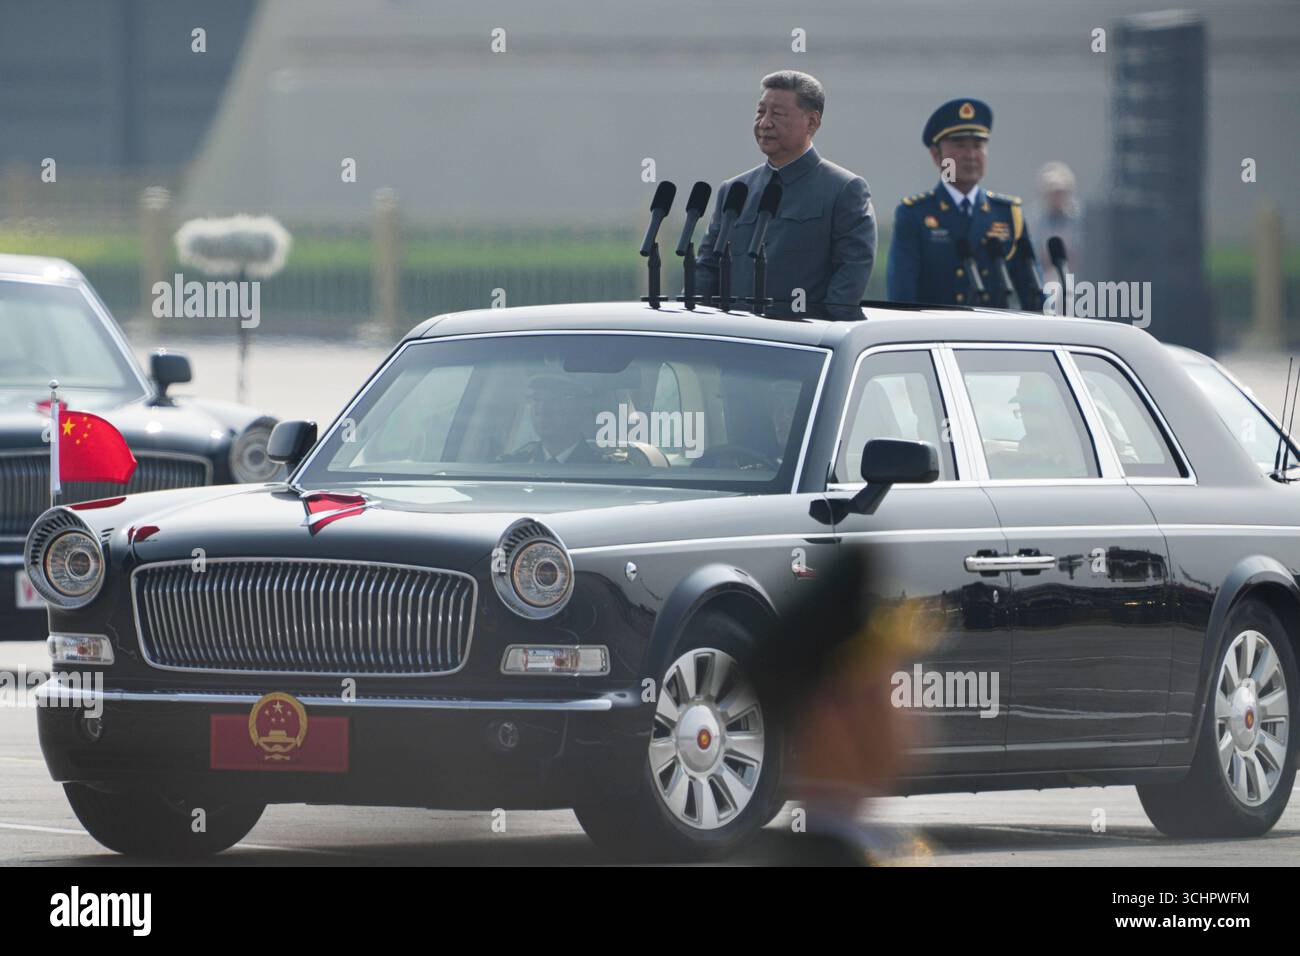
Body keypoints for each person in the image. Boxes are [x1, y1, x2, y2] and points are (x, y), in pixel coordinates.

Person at [695, 70, 876, 320]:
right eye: (760, 112)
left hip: (804, 346)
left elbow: (849, 277)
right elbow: (707, 270)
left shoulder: (844, 190)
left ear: (811, 122)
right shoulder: (735, 190)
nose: (764, 123)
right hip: (734, 344)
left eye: (777, 114)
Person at [886, 98, 1044, 310]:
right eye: (960, 146)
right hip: (936, 338)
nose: (970, 156)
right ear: (936, 156)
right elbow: (901, 296)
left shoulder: (1007, 214)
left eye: (978, 146)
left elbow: (1033, 294)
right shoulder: (916, 214)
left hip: (994, 338)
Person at [499, 373, 611, 464]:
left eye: (554, 400)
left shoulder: (602, 469)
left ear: (580, 408)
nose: (542, 410)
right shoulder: (514, 465)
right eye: (537, 399)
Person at [1033, 160, 1083, 279]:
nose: (1056, 197)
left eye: (1060, 192)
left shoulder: (1078, 220)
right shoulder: (1035, 221)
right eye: (1052, 192)